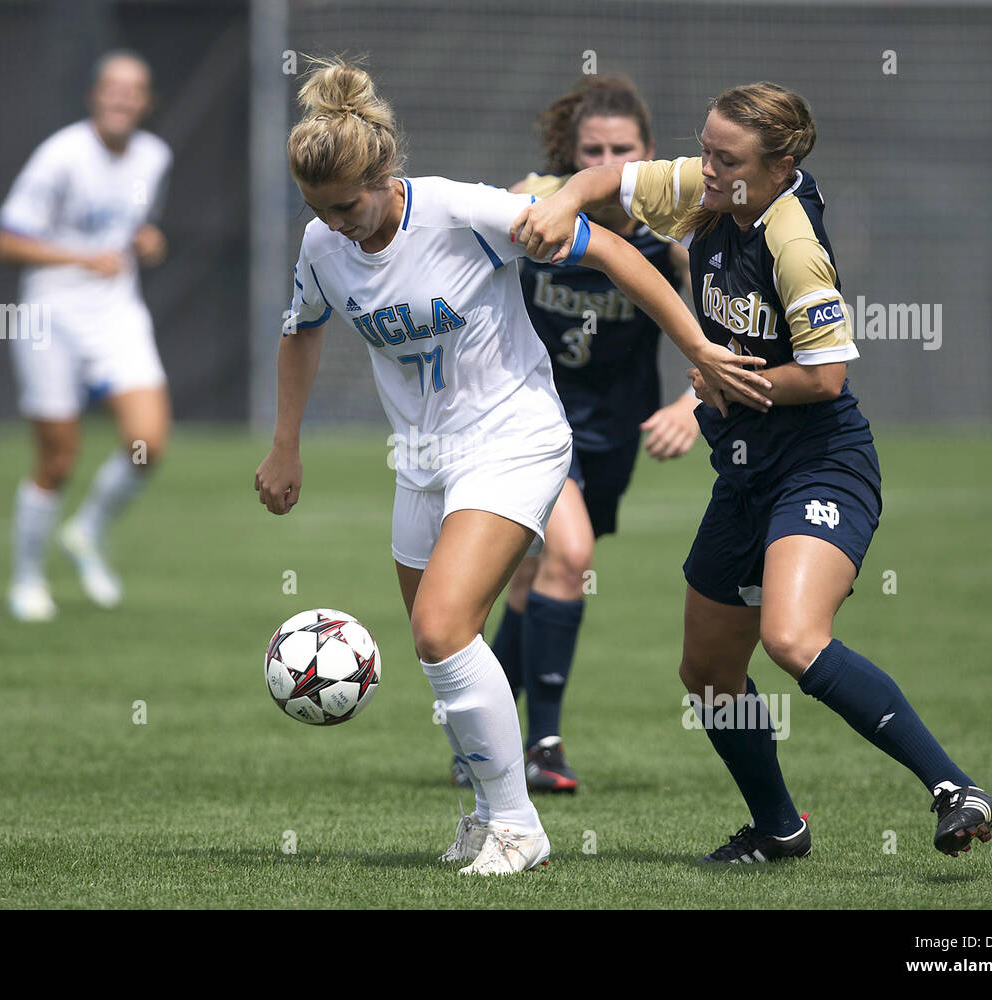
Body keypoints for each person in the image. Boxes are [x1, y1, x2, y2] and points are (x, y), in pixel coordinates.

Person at [255, 59, 763, 875]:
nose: (336, 224)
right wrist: (287, 444)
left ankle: (521, 828)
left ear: (383, 177)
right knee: (439, 648)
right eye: (319, 210)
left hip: (512, 439)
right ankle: (490, 815)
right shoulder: (324, 244)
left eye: (347, 205)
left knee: (441, 627)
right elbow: (301, 328)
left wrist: (697, 348)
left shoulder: (461, 211)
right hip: (421, 460)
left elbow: (612, 253)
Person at [512, 81, 992, 862]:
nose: (707, 168)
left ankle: (955, 789)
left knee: (792, 638)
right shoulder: (709, 193)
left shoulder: (793, 242)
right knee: (708, 671)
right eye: (704, 149)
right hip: (744, 478)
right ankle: (779, 829)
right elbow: (608, 179)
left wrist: (721, 380)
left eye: (728, 159)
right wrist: (567, 197)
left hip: (820, 465)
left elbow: (827, 377)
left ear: (778, 168)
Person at [459, 76, 700, 794]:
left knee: (535, 577)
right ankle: (542, 745)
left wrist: (692, 402)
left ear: (648, 154)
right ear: (571, 156)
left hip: (616, 429)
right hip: (531, 420)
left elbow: (725, 327)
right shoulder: (533, 207)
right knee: (570, 555)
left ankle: (477, 742)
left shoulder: (675, 228)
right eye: (591, 150)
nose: (605, 161)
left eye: (621, 149)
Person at [0, 50, 173, 622]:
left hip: (117, 314)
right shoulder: (61, 155)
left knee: (148, 443)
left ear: (146, 102)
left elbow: (134, 224)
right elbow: (6, 240)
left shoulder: (154, 156)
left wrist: (147, 239)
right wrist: (79, 257)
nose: (122, 98)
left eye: (134, 89)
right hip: (52, 316)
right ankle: (26, 579)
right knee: (58, 459)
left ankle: (86, 530)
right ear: (95, 95)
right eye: (112, 87)